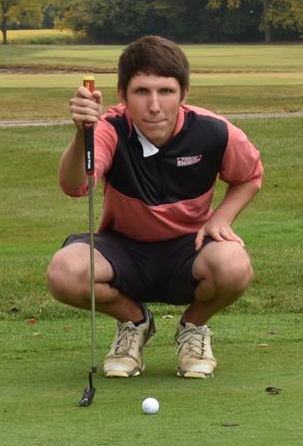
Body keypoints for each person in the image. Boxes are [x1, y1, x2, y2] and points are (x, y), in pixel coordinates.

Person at [47, 36, 264, 380]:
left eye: (165, 91)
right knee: (64, 272)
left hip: (188, 249)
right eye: (141, 91)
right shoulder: (109, 130)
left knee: (234, 264)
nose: (154, 105)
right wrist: (81, 134)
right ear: (122, 94)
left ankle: (193, 329)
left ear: (184, 94)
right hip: (123, 248)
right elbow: (75, 186)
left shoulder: (214, 132)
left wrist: (222, 217)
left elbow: (250, 176)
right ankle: (135, 322)